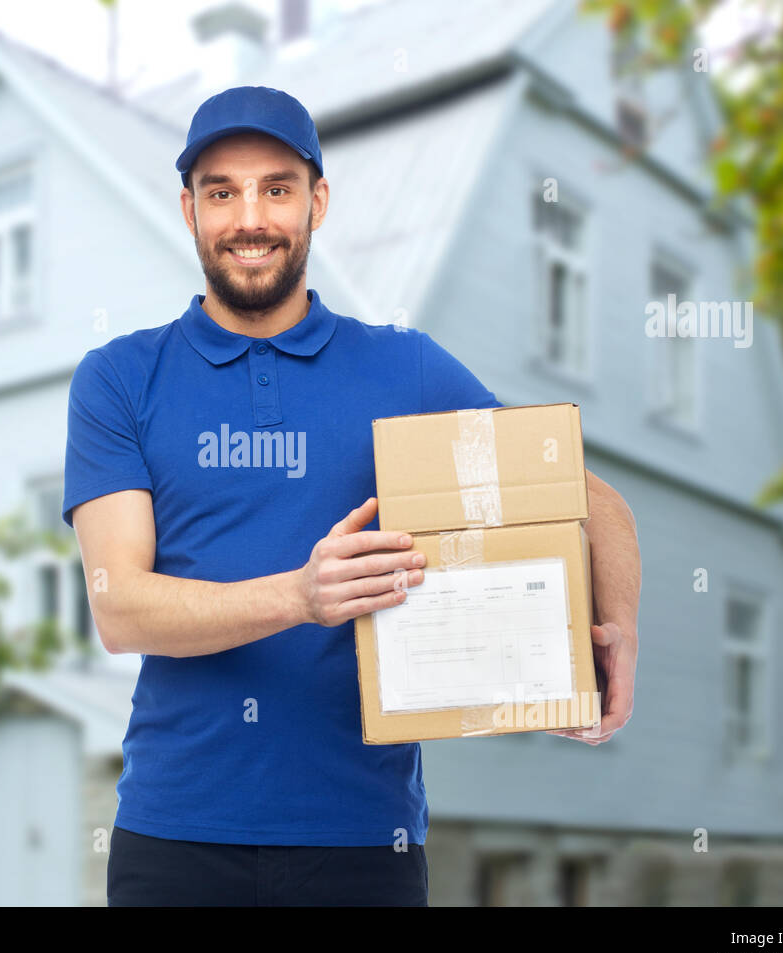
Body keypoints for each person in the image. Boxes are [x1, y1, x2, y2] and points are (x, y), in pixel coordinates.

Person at [62, 86, 641, 906]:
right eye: (222, 192)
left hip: (367, 841)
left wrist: (616, 636)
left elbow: (592, 500)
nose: (249, 217)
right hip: (176, 839)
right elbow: (121, 608)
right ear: (189, 210)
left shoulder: (402, 369)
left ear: (317, 202)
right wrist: (301, 595)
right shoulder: (121, 379)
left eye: (277, 187)